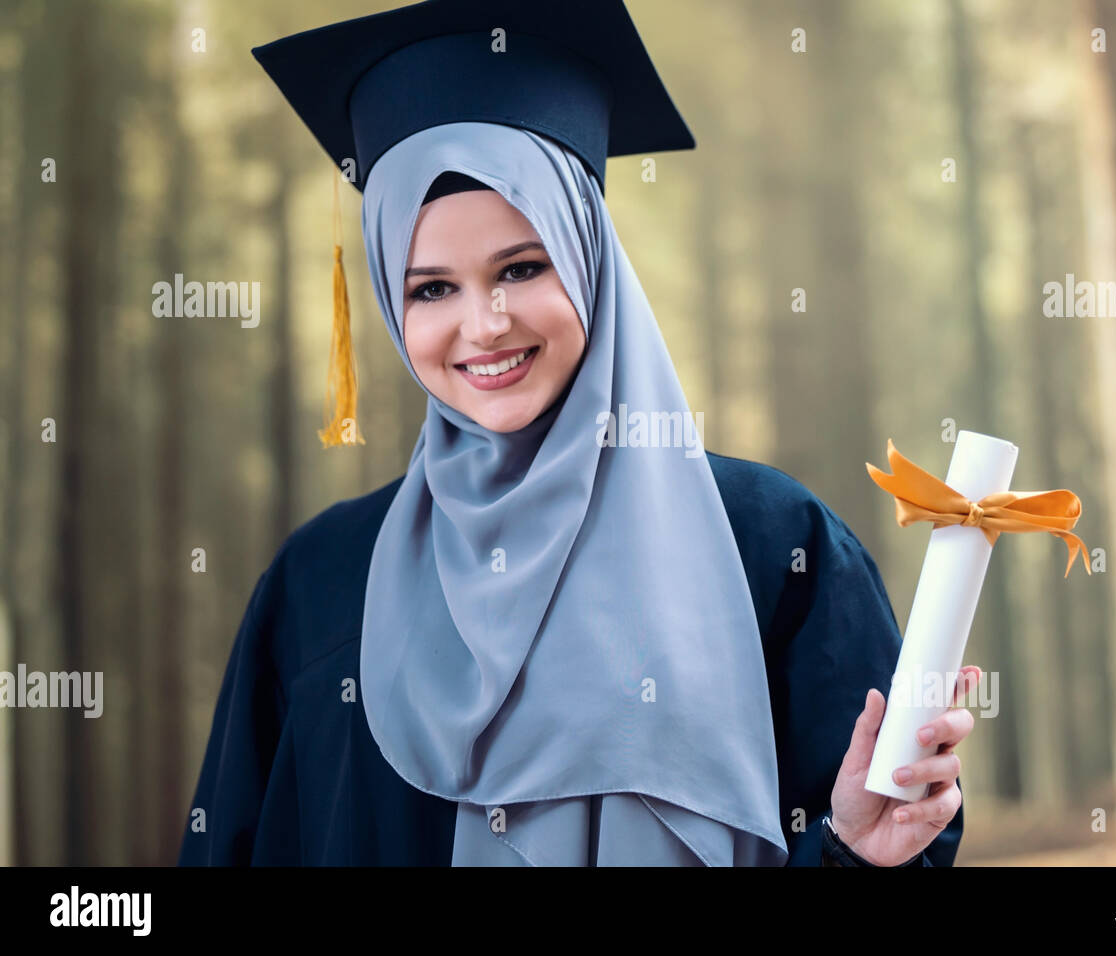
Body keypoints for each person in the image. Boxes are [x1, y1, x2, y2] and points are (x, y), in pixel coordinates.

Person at [178, 0, 977, 867]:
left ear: (592, 260)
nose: (483, 325)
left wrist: (859, 851)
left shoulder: (772, 545)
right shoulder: (321, 583)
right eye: (430, 288)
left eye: (522, 268)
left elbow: (884, 841)